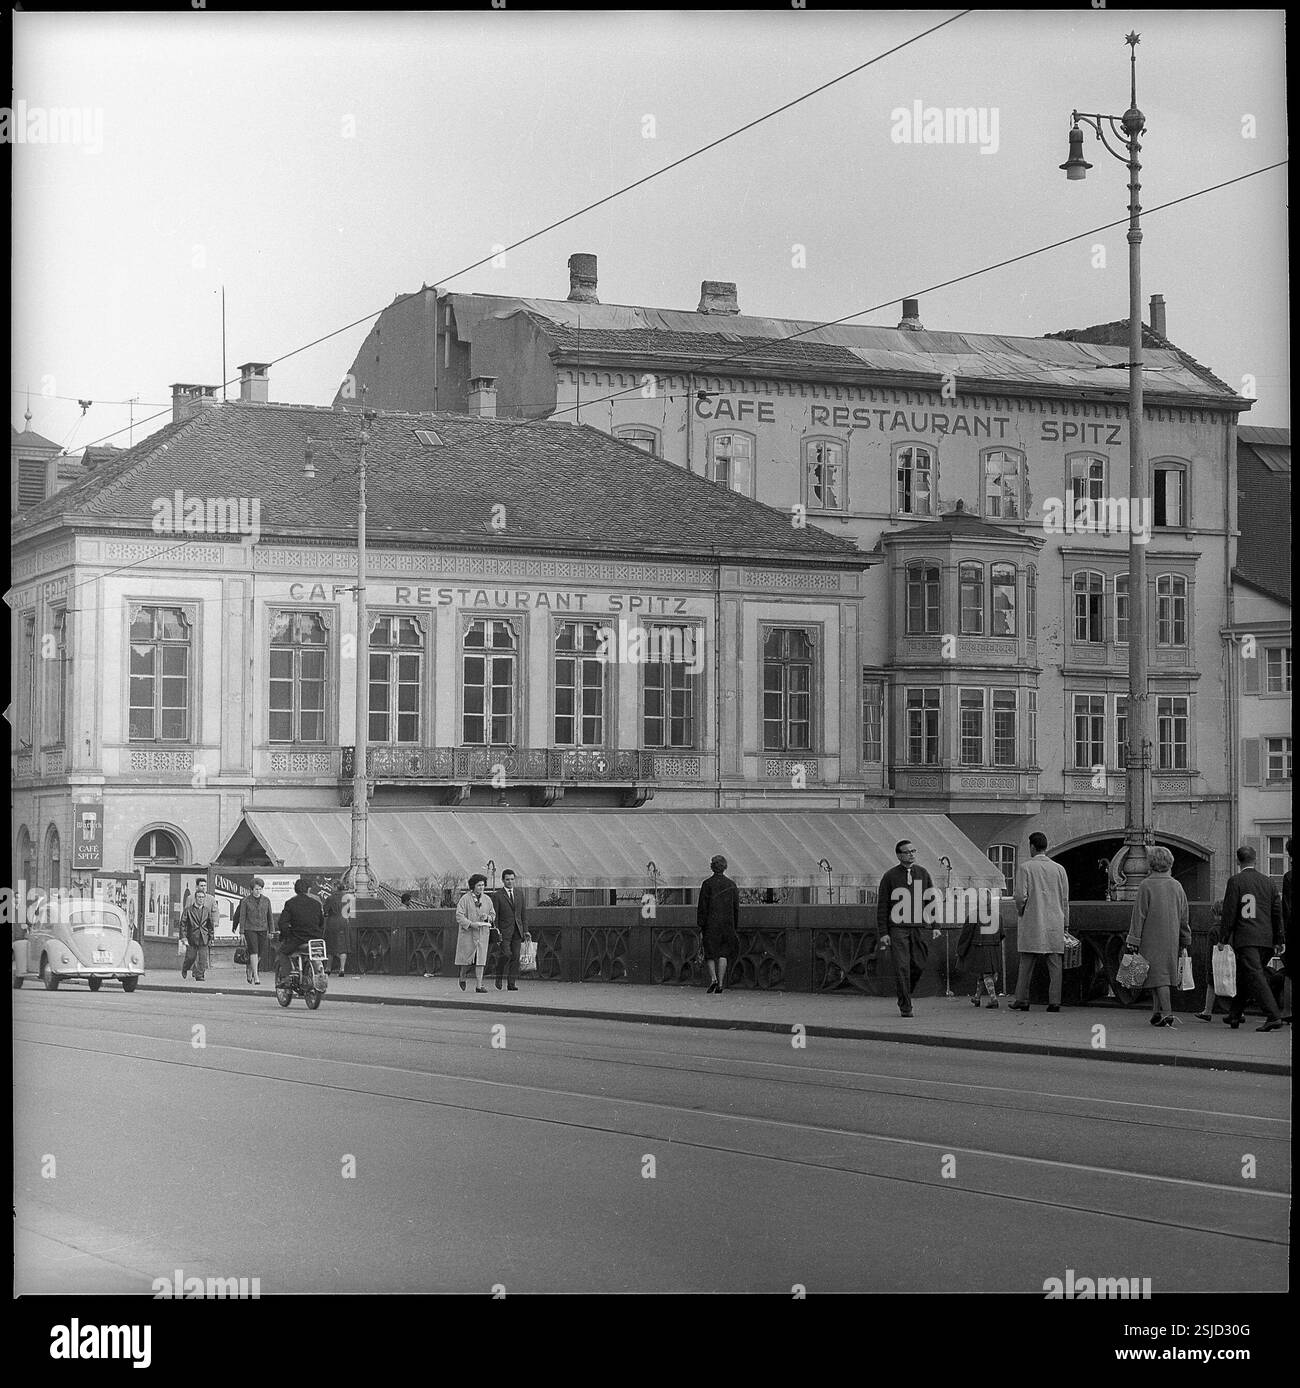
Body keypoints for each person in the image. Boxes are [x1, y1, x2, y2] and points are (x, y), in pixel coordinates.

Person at [1123, 845, 1191, 1027]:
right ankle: (1156, 1012)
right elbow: (1184, 915)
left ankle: (1167, 1014)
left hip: (1150, 938)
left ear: (1151, 864)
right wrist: (1185, 938)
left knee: (1157, 977)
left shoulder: (1146, 885)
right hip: (1171, 938)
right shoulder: (1177, 886)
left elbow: (1139, 915)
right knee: (1159, 975)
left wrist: (1133, 940)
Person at [1220, 844, 1285, 1032]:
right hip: (1267, 939)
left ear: (1237, 861)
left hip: (1246, 938)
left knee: (1255, 976)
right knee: (1245, 975)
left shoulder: (1235, 881)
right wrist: (1279, 939)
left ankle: (1273, 1015)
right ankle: (1234, 1013)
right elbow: (1276, 912)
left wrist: (1223, 938)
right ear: (1255, 859)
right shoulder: (1269, 882)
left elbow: (1230, 911)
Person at [877, 839, 940, 1017]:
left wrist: (935, 925)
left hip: (918, 926)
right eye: (907, 852)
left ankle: (904, 991)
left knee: (918, 963)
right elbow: (882, 906)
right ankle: (906, 1006)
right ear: (898, 855)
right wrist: (884, 933)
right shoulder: (890, 876)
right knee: (901, 966)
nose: (911, 854)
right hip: (898, 928)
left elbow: (930, 900)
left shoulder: (923, 873)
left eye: (913, 851)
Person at [1010, 832, 1071, 1012]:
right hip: (1055, 922)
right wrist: (1065, 922)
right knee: (1055, 964)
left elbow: (1020, 896)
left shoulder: (1025, 868)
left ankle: (1022, 999)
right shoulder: (1059, 869)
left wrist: (1021, 911)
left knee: (1026, 962)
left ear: (1031, 846)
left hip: (1032, 920)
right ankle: (1055, 1002)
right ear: (1045, 847)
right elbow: (1065, 899)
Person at [697, 855, 740, 994]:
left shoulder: (707, 884)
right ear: (725, 867)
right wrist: (734, 925)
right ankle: (721, 984)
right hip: (727, 925)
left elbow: (702, 907)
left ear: (712, 867)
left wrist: (701, 925)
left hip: (710, 925)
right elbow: (736, 908)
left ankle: (713, 979)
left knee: (709, 953)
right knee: (723, 954)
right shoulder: (731, 885)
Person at [275, 878, 327, 985]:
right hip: (315, 939)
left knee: (282, 952)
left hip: (298, 939)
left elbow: (282, 923)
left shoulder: (290, 903)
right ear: (308, 889)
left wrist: (286, 934)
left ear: (295, 890)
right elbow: (322, 923)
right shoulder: (316, 904)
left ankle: (287, 976)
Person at [455, 874, 497, 993]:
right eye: (479, 885)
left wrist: (488, 917)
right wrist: (470, 924)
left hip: (482, 933)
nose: (481, 887)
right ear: (473, 886)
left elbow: (493, 915)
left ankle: (479, 985)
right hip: (468, 933)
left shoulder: (487, 899)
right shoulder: (465, 899)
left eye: (483, 885)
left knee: (481, 959)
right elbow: (459, 915)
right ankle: (462, 976)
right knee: (466, 959)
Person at [491, 869, 527, 991]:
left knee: (516, 957)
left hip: (517, 930)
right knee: (506, 955)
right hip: (504, 931)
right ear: (502, 880)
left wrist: (525, 931)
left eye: (512, 879)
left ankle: (511, 983)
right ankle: (499, 975)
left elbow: (523, 914)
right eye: (507, 879)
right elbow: (495, 915)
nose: (510, 881)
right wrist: (496, 931)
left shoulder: (519, 894)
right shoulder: (497, 895)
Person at [233, 876, 273, 985]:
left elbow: (270, 916)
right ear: (251, 890)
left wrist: (271, 931)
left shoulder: (266, 900)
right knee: (253, 950)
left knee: (260, 952)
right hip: (249, 929)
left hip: (263, 928)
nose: (258, 891)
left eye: (260, 889)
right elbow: (242, 917)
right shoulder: (246, 901)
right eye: (256, 889)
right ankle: (256, 975)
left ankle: (250, 968)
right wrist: (241, 932)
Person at [179, 881, 219, 981]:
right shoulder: (188, 910)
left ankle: (199, 975)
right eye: (199, 897)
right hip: (192, 936)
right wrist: (183, 937)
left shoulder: (206, 910)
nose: (201, 899)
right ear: (195, 898)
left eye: (202, 897)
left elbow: (210, 925)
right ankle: (185, 968)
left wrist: (211, 936)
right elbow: (183, 924)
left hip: (203, 937)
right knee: (190, 957)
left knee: (203, 958)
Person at [1194, 899, 1224, 1021]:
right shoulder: (1233, 928)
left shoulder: (1214, 930)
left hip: (1215, 962)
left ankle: (1207, 1011)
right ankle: (1239, 1012)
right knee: (1233, 987)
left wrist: (1209, 967)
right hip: (1231, 962)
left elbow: (1210, 950)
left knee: (1211, 986)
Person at [324, 874, 351, 978]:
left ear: (335, 886)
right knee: (343, 947)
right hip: (344, 922)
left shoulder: (330, 898)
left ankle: (328, 968)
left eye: (332, 886)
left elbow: (325, 911)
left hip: (332, 922)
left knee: (330, 946)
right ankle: (342, 969)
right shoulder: (347, 898)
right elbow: (349, 912)